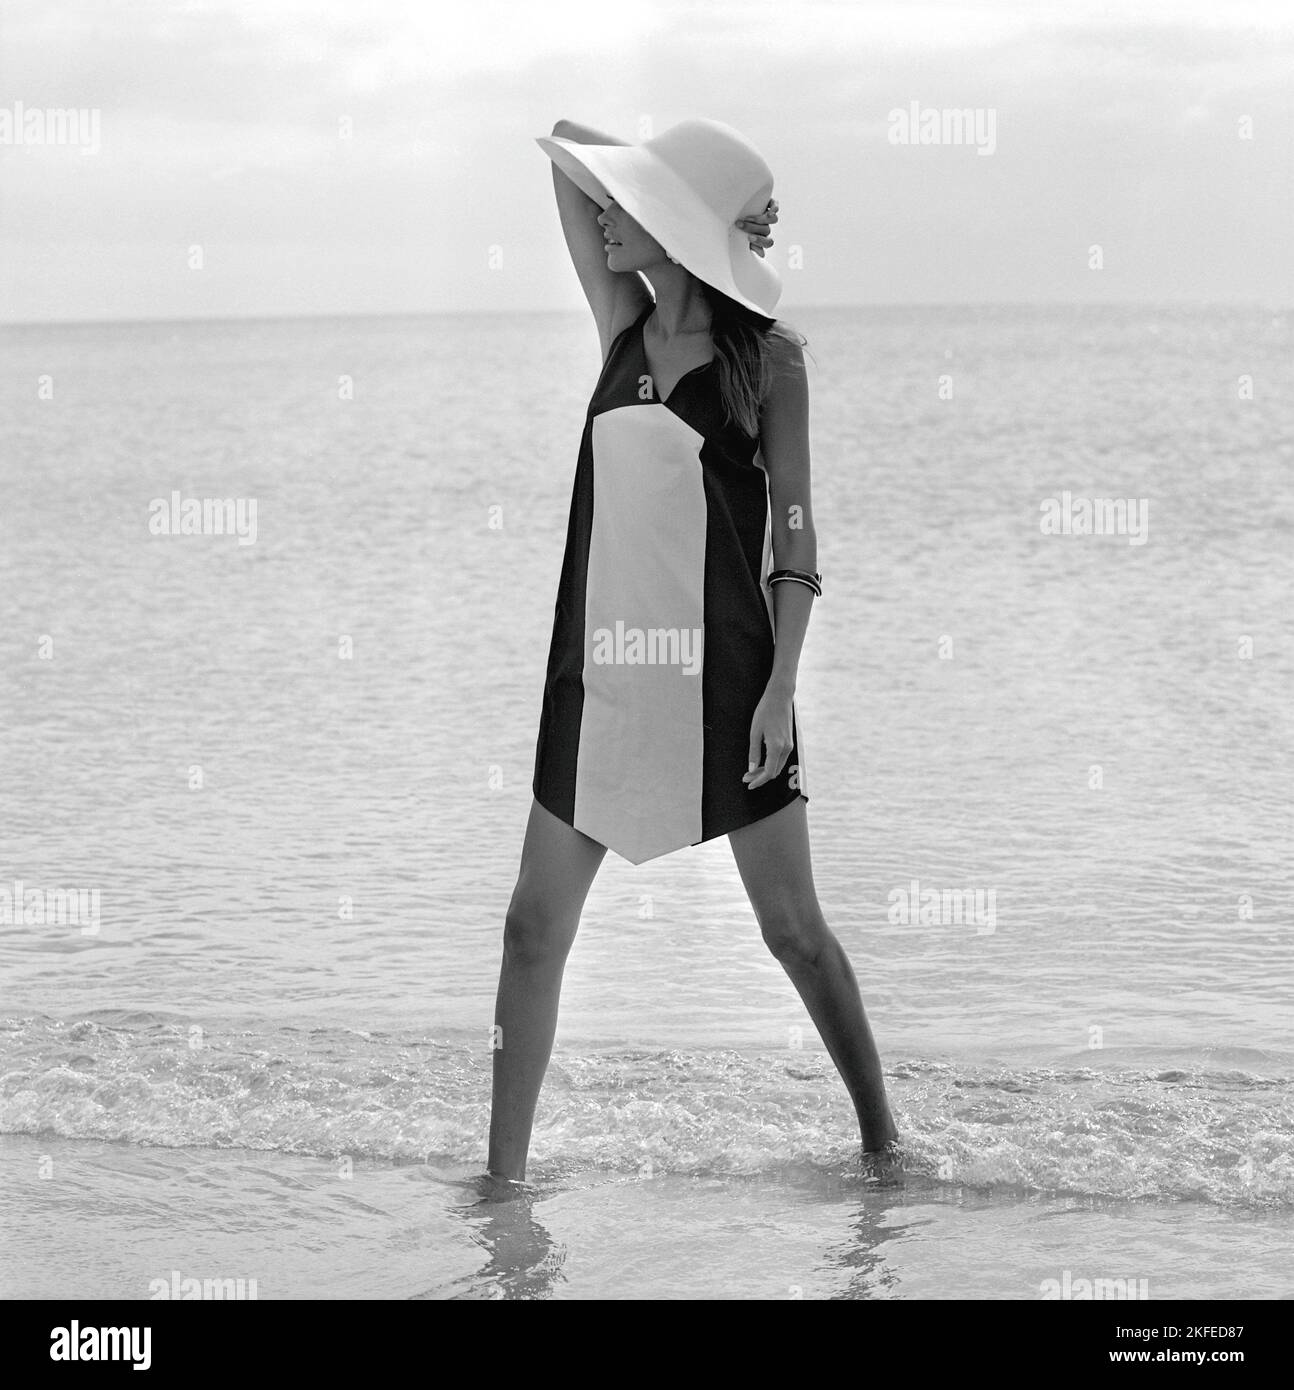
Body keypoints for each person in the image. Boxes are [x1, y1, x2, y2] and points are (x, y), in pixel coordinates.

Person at [486, 117, 897, 1186]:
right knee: (531, 929)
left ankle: (883, 1142)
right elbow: (567, 158)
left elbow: (796, 533)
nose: (605, 220)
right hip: (601, 675)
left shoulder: (771, 364)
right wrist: (656, 182)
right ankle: (503, 1180)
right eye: (620, 205)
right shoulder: (619, 320)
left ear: (673, 227)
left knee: (795, 935)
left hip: (730, 683)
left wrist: (781, 687)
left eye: (635, 208)